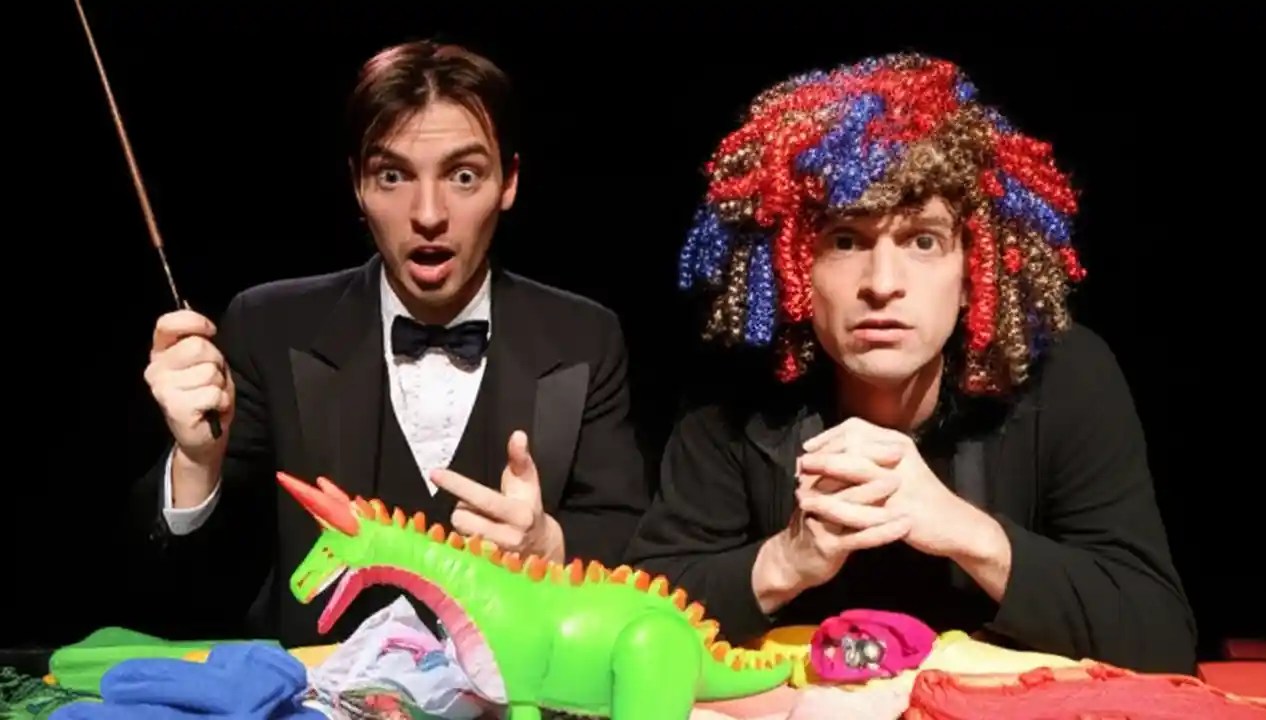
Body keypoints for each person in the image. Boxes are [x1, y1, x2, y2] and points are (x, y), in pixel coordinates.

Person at [624, 53, 1197, 674]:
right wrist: (784, 562)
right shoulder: (734, 391)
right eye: (845, 240)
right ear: (791, 268)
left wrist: (967, 533)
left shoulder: (1064, 375)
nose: (882, 283)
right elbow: (636, 623)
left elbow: (1159, 634)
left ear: (975, 268)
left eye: (923, 241)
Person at [134, 39, 650, 646]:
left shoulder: (585, 336)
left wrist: (550, 546)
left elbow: (630, 539)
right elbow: (190, 589)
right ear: (357, 184)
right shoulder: (270, 326)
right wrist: (196, 463)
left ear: (508, 182)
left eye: (463, 175)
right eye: (392, 175)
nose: (428, 213)